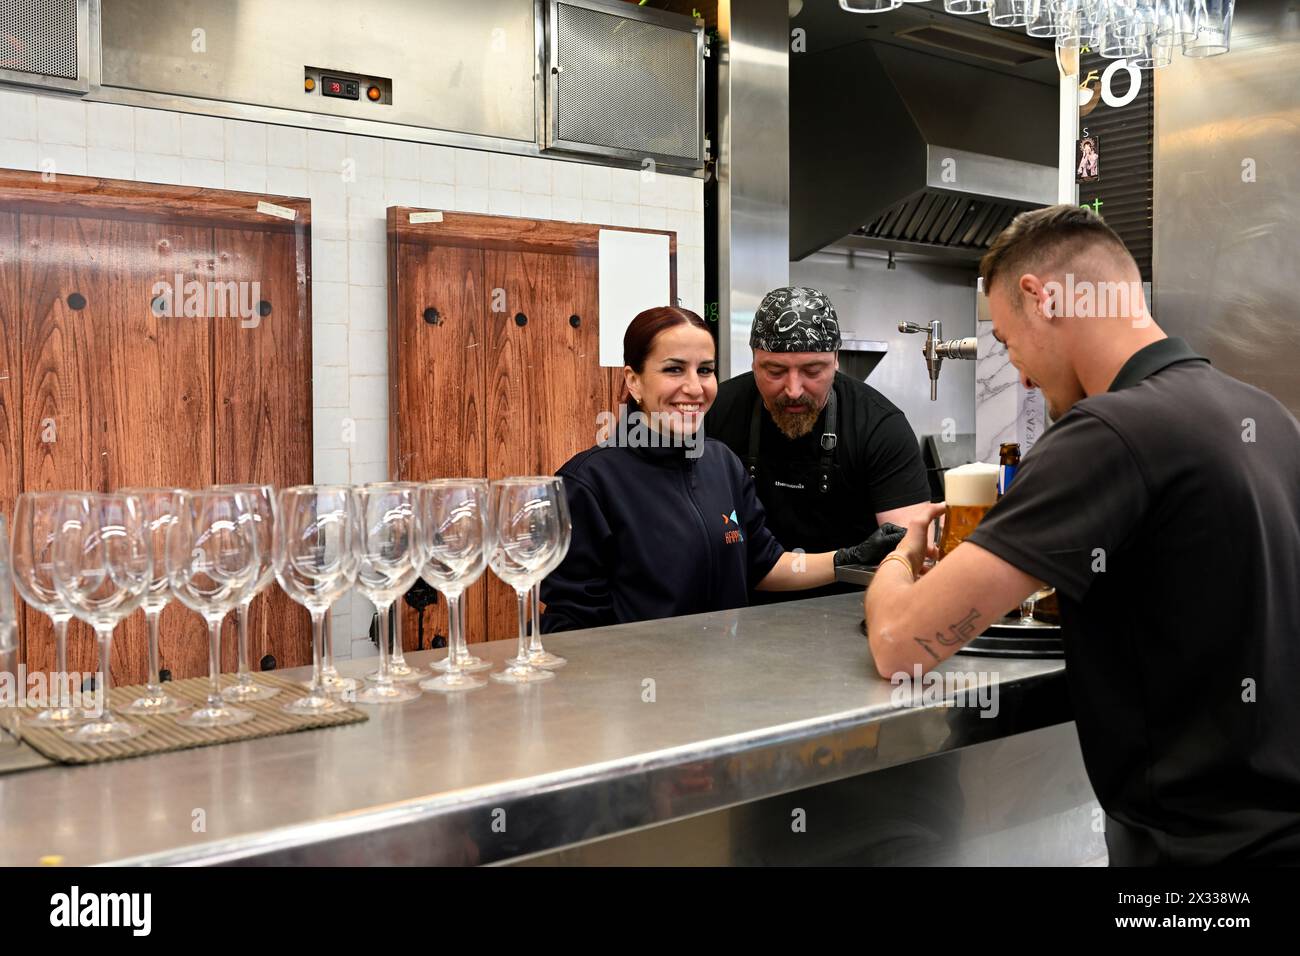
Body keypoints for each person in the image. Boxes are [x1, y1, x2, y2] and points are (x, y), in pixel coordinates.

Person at [865, 204, 1300, 865]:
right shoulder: (1263, 413)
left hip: (1202, 858)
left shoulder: (1107, 435)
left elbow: (902, 646)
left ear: (1041, 298)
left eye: (1008, 343)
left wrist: (903, 555)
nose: (1018, 374)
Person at [540, 306, 904, 633]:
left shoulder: (722, 463)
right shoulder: (587, 483)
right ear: (633, 380)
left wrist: (846, 558)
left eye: (706, 370)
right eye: (674, 369)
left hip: (725, 685)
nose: (694, 387)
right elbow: (571, 625)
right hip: (643, 694)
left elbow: (763, 565)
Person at [703, 286, 933, 604]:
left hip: (849, 611)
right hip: (737, 610)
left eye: (812, 371)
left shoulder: (880, 425)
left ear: (836, 360)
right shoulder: (714, 414)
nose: (794, 389)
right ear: (754, 361)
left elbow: (912, 551)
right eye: (775, 371)